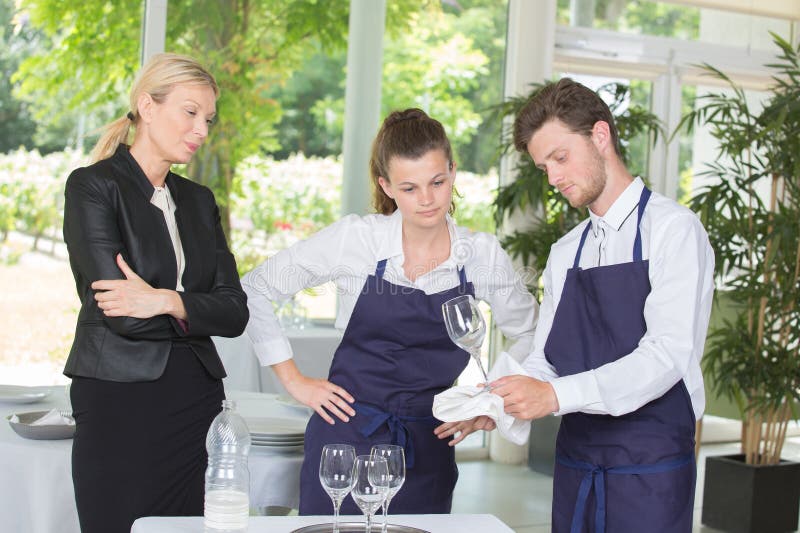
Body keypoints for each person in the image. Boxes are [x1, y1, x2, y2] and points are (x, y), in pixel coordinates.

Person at [241, 108, 538, 515]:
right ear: (386, 185)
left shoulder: (480, 255)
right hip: (344, 443)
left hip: (428, 446)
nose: (428, 200)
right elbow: (254, 289)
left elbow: (531, 331)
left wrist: (489, 404)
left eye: (437, 181)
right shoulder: (356, 241)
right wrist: (293, 381)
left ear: (453, 171)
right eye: (410, 187)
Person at [490, 78, 715, 533]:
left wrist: (554, 396)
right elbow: (548, 361)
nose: (552, 178)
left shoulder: (674, 231)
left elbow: (666, 356)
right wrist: (501, 403)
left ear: (600, 135)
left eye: (559, 157)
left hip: (649, 472)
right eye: (543, 166)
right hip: (576, 466)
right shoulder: (564, 251)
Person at [62, 53, 248, 533]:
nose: (201, 129)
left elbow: (234, 313)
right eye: (190, 112)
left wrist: (167, 299)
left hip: (195, 398)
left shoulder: (199, 200)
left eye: (207, 118)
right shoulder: (93, 187)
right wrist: (194, 310)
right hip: (119, 395)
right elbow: (122, 314)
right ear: (147, 106)